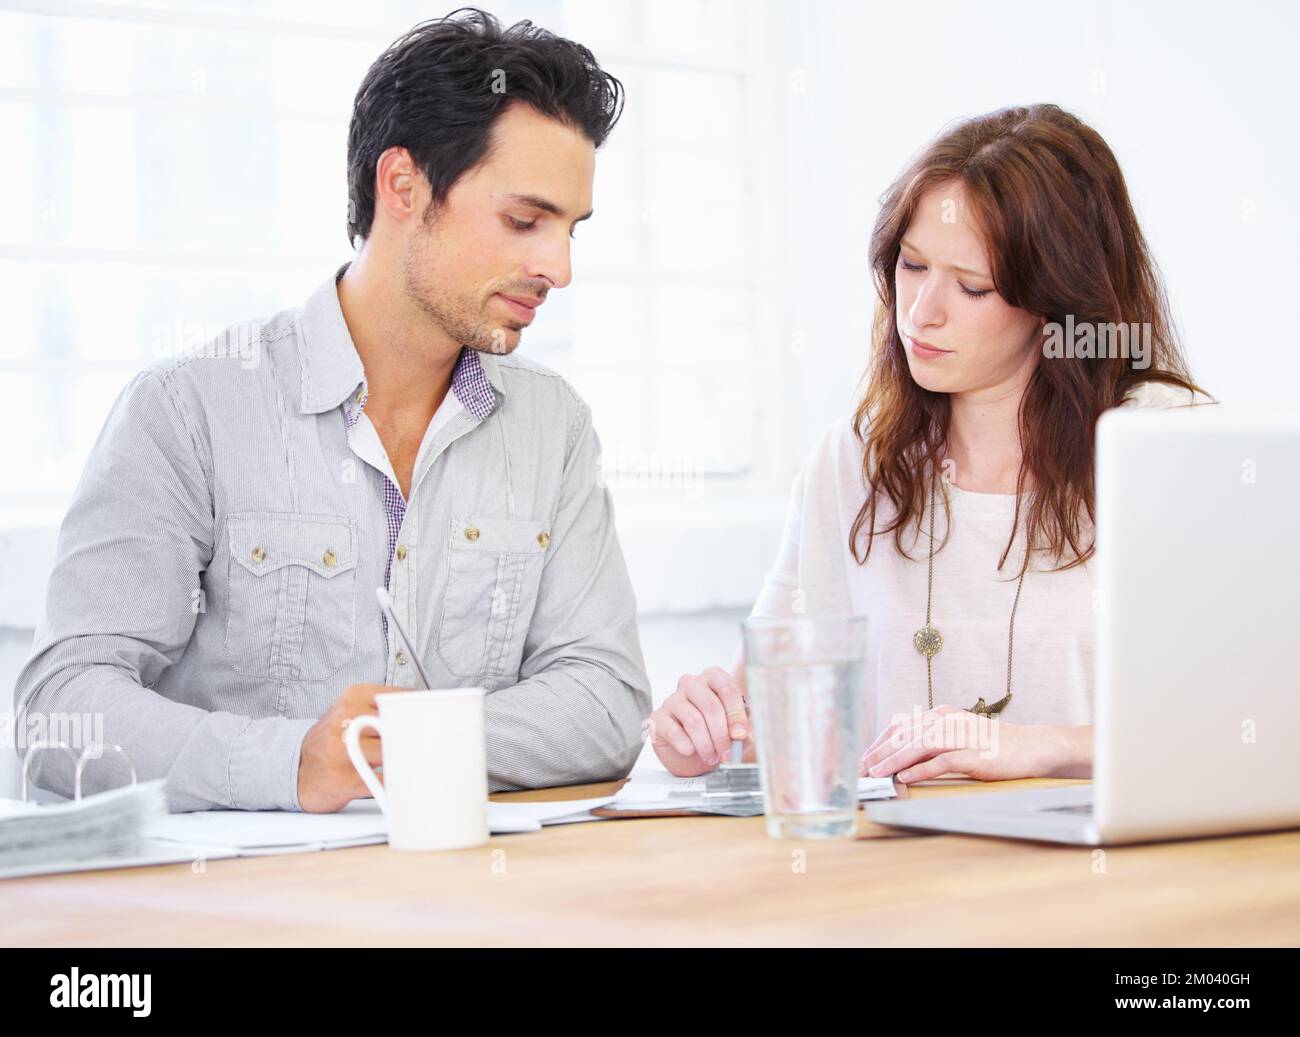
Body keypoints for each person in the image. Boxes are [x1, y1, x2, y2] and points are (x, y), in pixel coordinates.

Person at [14, 9, 651, 813]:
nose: (557, 267)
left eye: (570, 229)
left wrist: (410, 741)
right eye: (524, 221)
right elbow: (60, 708)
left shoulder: (553, 426)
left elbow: (605, 700)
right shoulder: (189, 409)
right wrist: (289, 762)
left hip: (475, 902)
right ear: (403, 185)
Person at [650, 103, 1215, 783]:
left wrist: (1043, 746)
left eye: (972, 286)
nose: (921, 312)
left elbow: (1240, 722)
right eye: (912, 266)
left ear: (1058, 302)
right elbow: (761, 725)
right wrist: (701, 735)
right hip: (904, 872)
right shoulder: (851, 461)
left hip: (1107, 879)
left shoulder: (1167, 443)